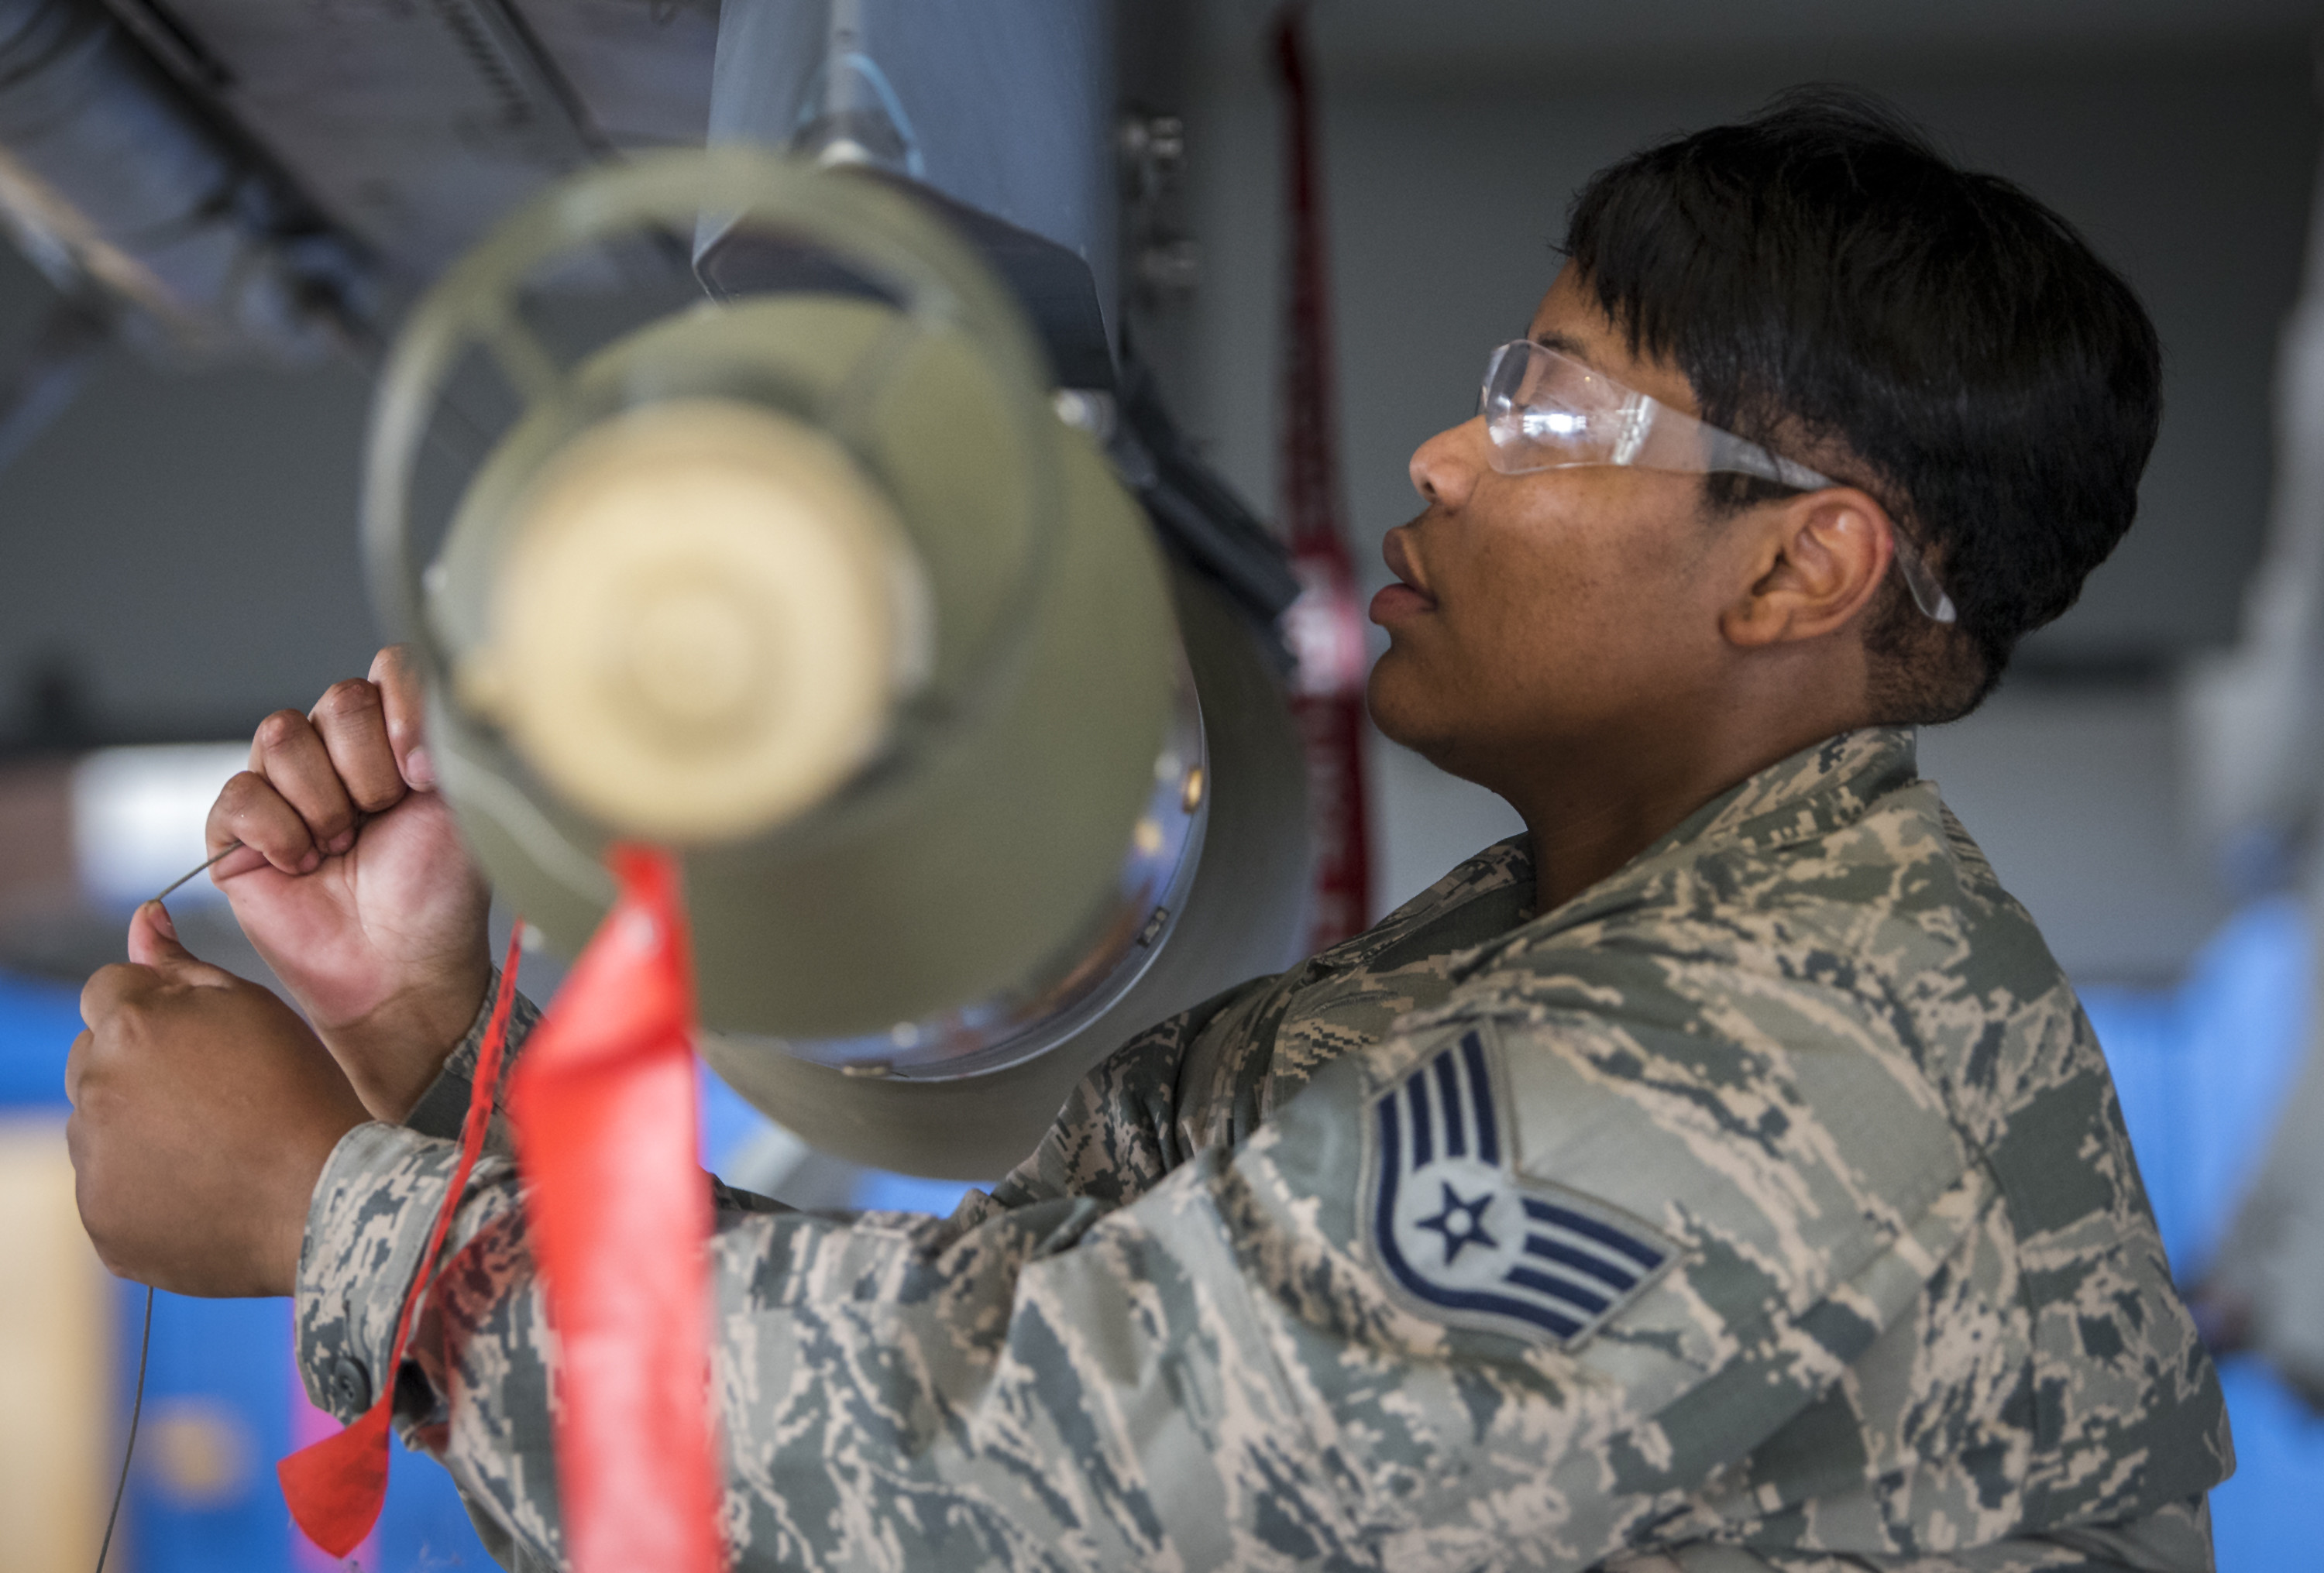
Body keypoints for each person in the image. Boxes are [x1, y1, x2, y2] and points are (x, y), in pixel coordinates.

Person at [65, 89, 2231, 1571]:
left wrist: (326, 1214)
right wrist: (439, 1053)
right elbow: (960, 1363)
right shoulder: (1563, 968)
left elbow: (992, 1500)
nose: (1449, 456)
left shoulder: (1764, 1067)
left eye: (1557, 407)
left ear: (1802, 573)